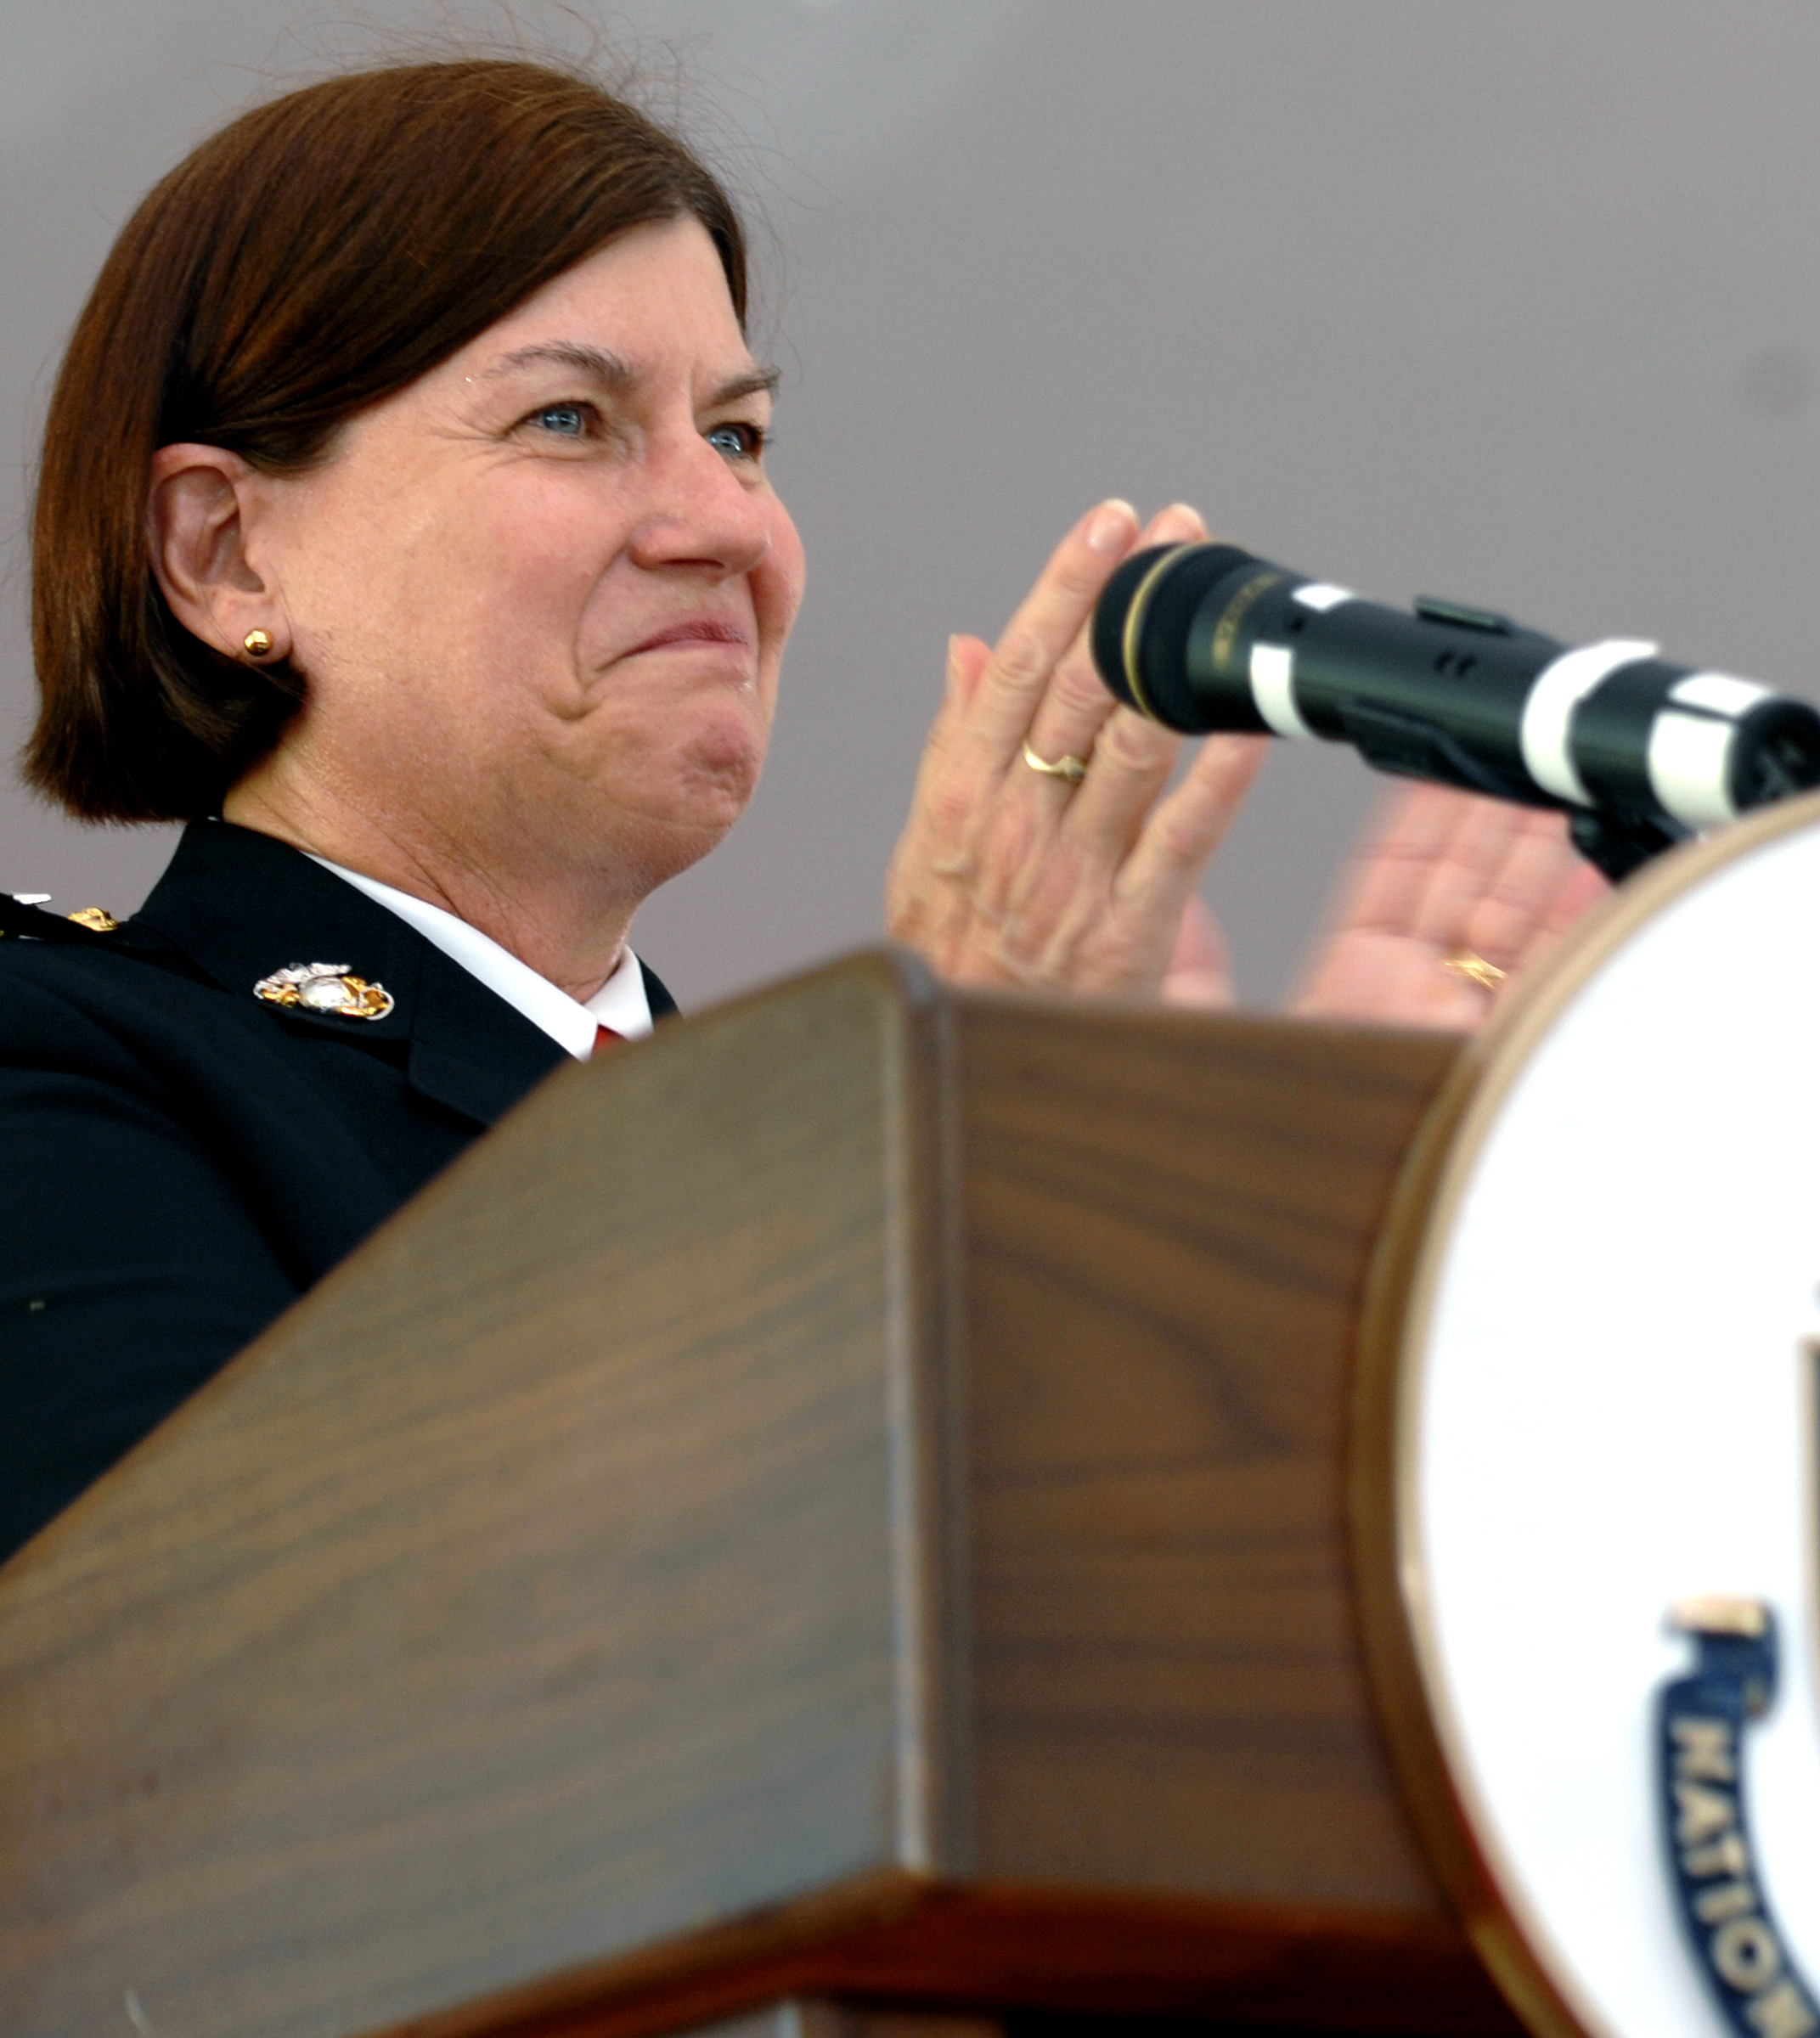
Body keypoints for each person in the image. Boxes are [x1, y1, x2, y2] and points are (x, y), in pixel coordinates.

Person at [0, 59, 1601, 1564]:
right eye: (570, 420)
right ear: (223, 553)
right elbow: (214, 1714)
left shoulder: (751, 1139)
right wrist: (915, 1175)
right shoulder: (60, 1063)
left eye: (741, 435)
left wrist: (1289, 1284)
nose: (727, 521)